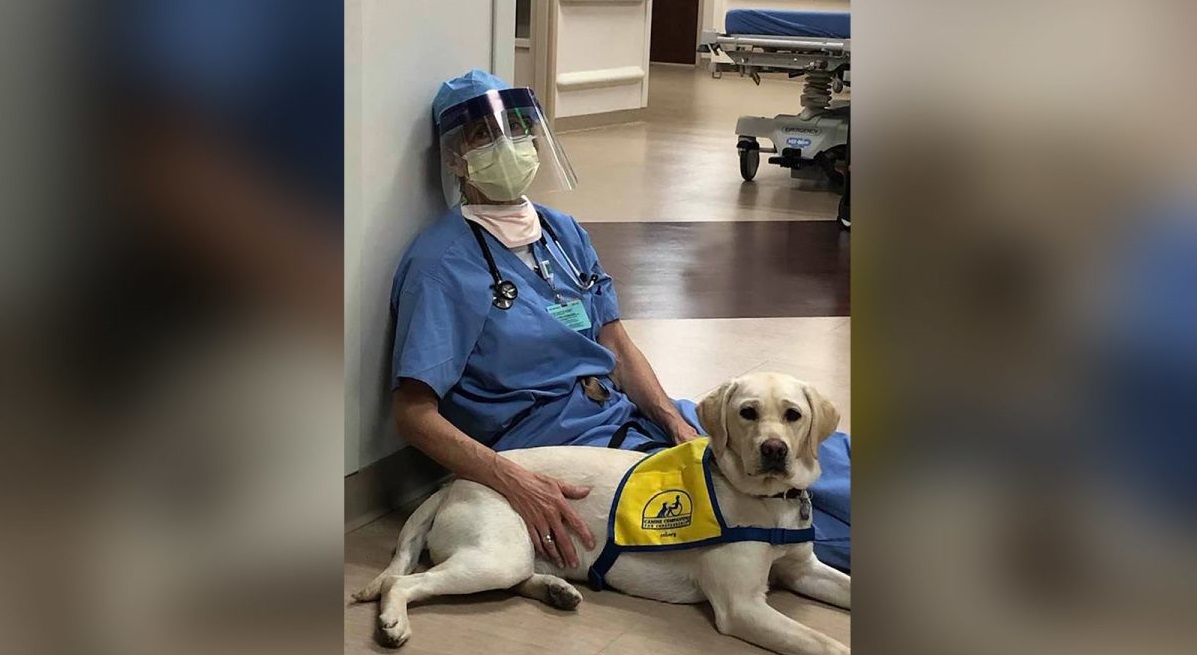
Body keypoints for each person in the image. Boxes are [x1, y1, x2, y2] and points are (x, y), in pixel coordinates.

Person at [390, 69, 851, 573]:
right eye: (486, 135)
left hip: (617, 412)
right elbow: (415, 415)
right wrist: (511, 478)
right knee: (772, 511)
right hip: (555, 441)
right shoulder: (441, 267)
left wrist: (675, 421)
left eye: (519, 129)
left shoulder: (558, 232)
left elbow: (617, 345)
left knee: (824, 454)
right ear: (456, 157)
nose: (510, 144)